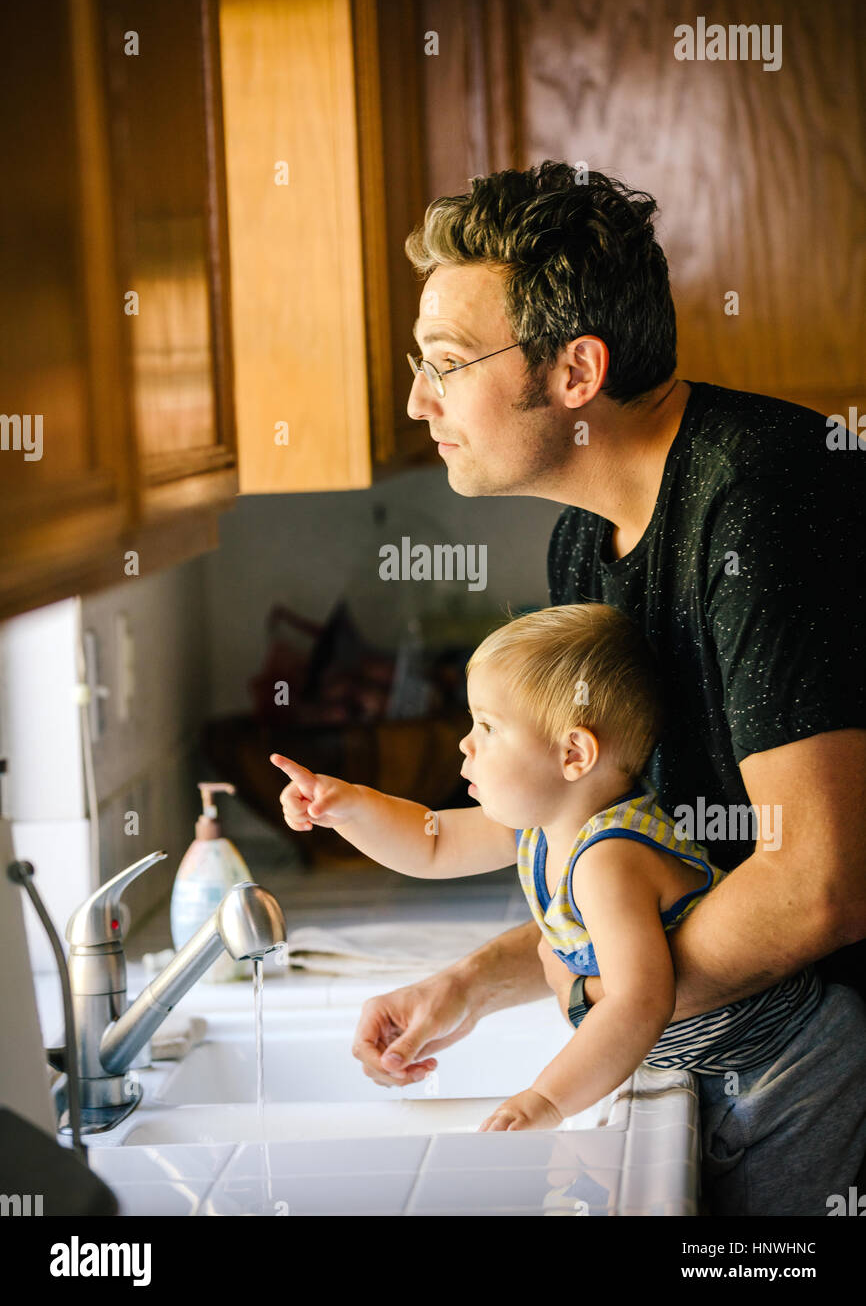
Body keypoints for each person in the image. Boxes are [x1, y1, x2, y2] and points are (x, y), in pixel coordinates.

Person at [319, 161, 866, 1214]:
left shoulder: (760, 494)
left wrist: (600, 997)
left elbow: (816, 884)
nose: (416, 400)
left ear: (574, 370)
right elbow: (628, 856)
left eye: (444, 362)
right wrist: (473, 985)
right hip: (750, 1058)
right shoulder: (582, 549)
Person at [271, 602, 828, 1139]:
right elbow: (431, 843)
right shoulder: (541, 827)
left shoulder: (609, 860)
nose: (465, 742)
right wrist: (346, 806)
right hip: (725, 1063)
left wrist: (547, 1099)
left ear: (573, 756)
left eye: (487, 726)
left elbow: (638, 1002)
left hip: (790, 1066)